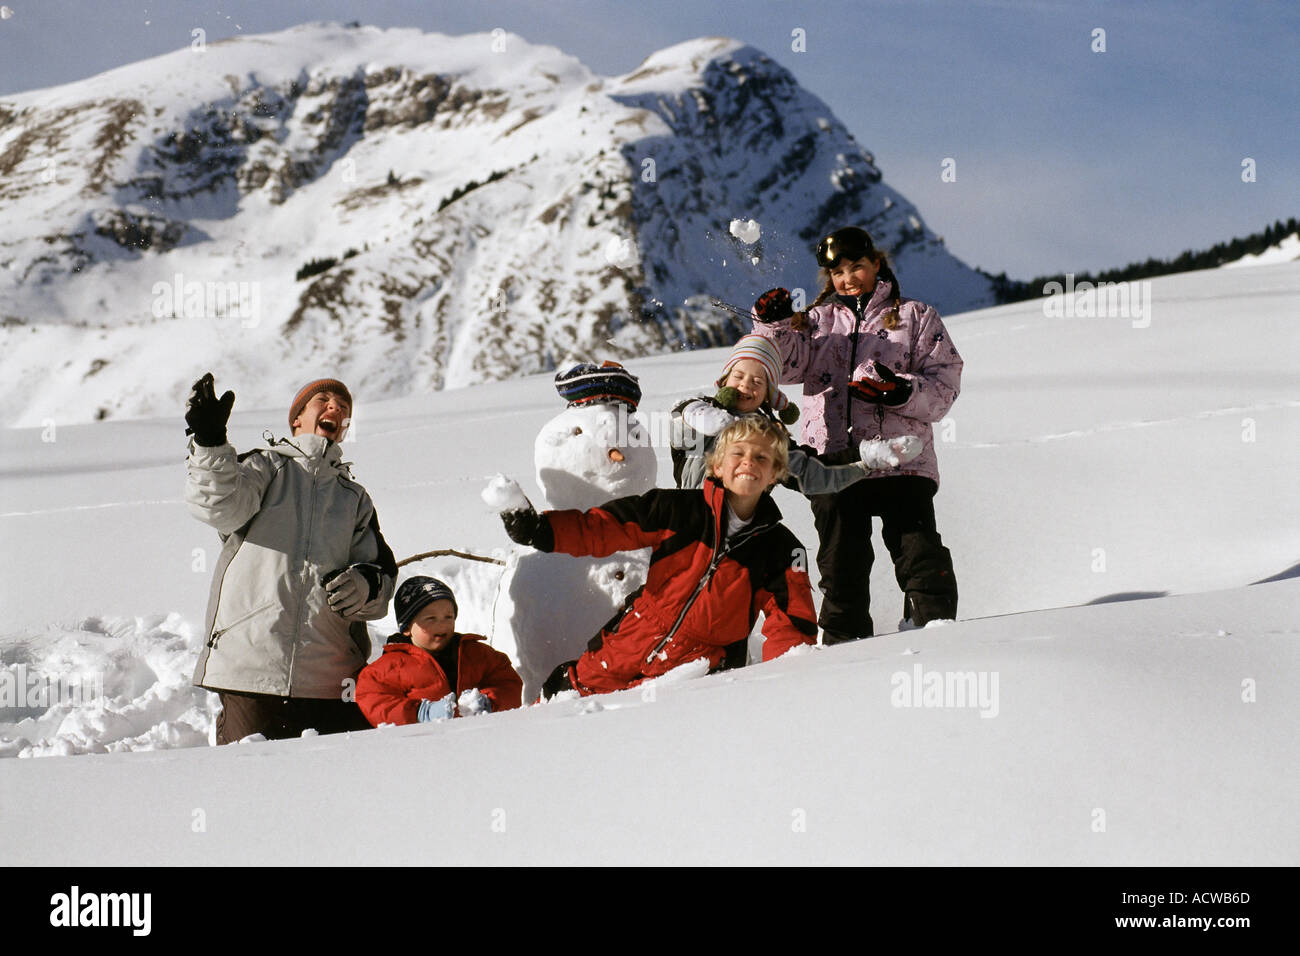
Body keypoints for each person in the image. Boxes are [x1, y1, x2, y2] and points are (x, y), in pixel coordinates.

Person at [491, 415, 818, 697]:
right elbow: (603, 528)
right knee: (566, 697)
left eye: (762, 458)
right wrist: (539, 531)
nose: (749, 462)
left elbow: (791, 624)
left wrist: (784, 686)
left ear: (775, 473)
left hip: (703, 670)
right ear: (717, 464)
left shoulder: (783, 550)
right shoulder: (677, 509)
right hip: (628, 644)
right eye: (739, 453)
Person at [750, 226, 963, 641]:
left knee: (918, 551)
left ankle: (938, 632)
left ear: (877, 264)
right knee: (840, 564)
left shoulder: (916, 317)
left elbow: (945, 387)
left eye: (857, 267)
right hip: (833, 466)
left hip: (903, 462)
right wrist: (772, 324)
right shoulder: (815, 322)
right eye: (839, 272)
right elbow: (782, 364)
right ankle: (844, 648)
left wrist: (900, 390)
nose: (848, 279)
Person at [184, 373, 397, 743]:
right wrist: (210, 443)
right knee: (247, 789)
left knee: (340, 792)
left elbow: (380, 576)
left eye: (344, 407)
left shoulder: (354, 499)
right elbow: (221, 509)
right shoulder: (264, 469)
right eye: (324, 400)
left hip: (331, 679)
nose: (336, 408)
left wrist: (362, 586)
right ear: (296, 419)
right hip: (251, 669)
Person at [670, 333, 922, 492]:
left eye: (758, 382)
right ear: (724, 380)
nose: (746, 385)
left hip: (745, 528)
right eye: (738, 376)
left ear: (769, 394)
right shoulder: (698, 408)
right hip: (692, 517)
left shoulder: (768, 436)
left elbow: (811, 474)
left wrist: (866, 457)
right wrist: (710, 418)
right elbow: (678, 429)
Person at [355, 576, 523, 726]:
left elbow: (509, 684)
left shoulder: (476, 653)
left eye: (448, 617)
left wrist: (490, 702)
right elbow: (374, 699)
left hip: (480, 738)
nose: (442, 625)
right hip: (424, 747)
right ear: (406, 628)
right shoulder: (391, 666)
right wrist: (420, 713)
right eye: (431, 619)